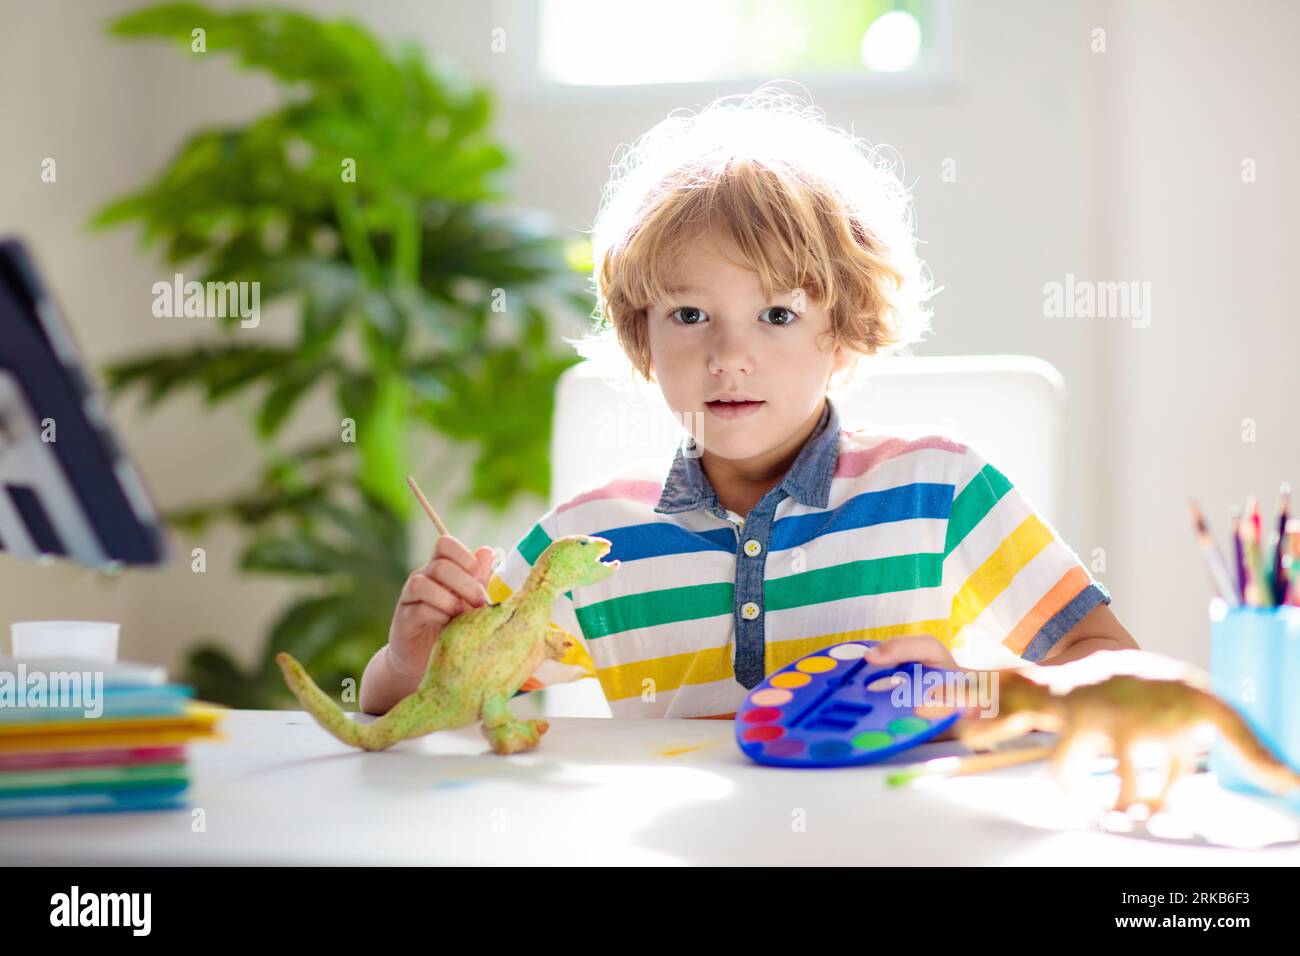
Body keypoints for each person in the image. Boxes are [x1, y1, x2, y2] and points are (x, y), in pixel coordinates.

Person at [360, 87, 1137, 719]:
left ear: (844, 332)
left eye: (777, 315)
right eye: (690, 316)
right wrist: (406, 662)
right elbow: (437, 707)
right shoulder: (586, 544)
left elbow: (1113, 669)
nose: (730, 356)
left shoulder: (943, 490)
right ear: (642, 340)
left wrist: (970, 690)